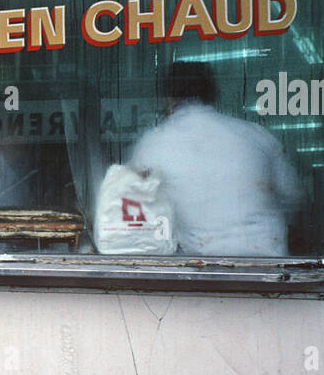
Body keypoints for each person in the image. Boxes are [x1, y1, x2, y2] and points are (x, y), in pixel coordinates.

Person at [127, 61, 304, 256]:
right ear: (213, 95)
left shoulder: (152, 144)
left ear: (169, 98)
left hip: (202, 270)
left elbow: (134, 210)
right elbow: (293, 196)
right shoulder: (257, 135)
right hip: (270, 265)